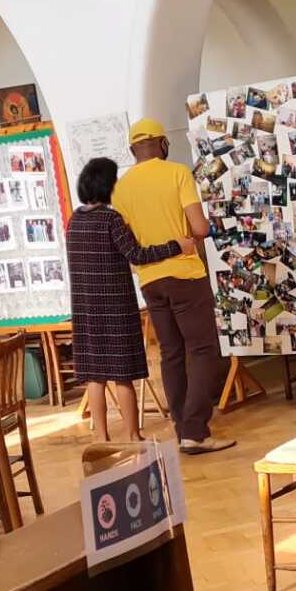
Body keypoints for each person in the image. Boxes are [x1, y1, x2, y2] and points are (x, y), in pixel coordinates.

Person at [112, 119, 232, 454]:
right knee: (202, 349)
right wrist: (193, 234)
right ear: (163, 145)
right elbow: (200, 227)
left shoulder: (120, 188)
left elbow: (126, 240)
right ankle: (196, 430)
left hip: (150, 280)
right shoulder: (177, 173)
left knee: (171, 353)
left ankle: (183, 430)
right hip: (185, 275)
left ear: (132, 150)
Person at [66, 156, 193, 441]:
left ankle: (101, 438)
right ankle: (133, 435)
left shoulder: (75, 220)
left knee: (95, 377)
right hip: (115, 308)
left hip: (85, 310)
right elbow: (137, 255)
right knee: (123, 374)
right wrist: (177, 246)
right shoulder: (110, 220)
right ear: (108, 185)